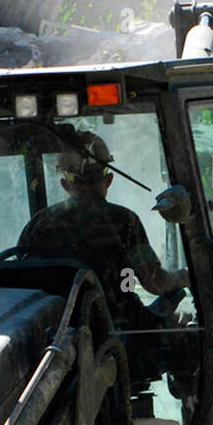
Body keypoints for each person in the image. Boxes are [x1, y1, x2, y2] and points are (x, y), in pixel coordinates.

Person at [17, 127, 188, 329]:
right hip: (118, 332)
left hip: (55, 331)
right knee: (179, 321)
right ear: (108, 180)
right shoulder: (125, 221)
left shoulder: (38, 224)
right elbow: (155, 282)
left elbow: (21, 280)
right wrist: (183, 276)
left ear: (65, 185)